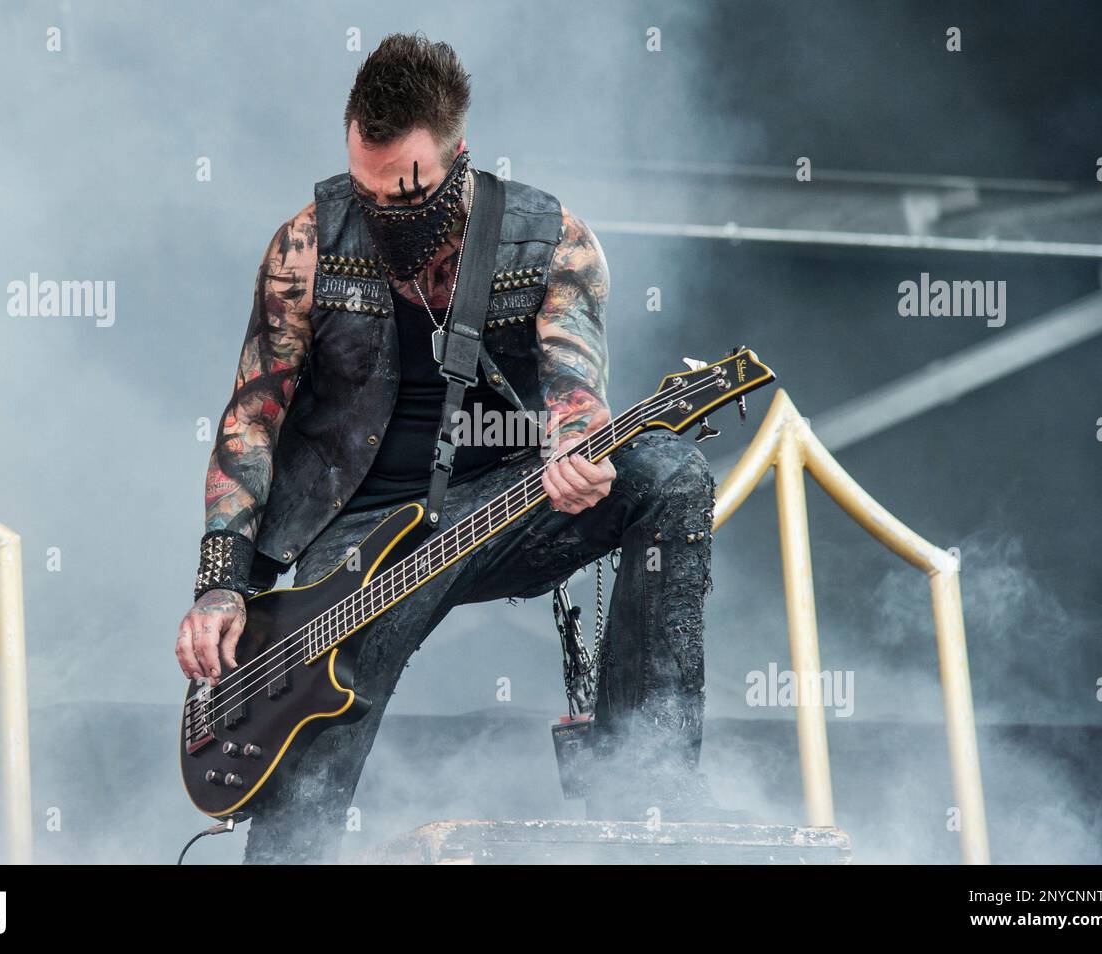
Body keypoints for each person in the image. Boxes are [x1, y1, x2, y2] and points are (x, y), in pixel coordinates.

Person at [176, 33, 718, 863]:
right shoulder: (305, 244)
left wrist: (577, 449)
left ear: (456, 156)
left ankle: (649, 795)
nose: (384, 212)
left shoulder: (551, 239)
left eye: (404, 191)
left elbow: (575, 379)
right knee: (324, 705)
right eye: (366, 187)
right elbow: (254, 416)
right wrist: (221, 586)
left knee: (670, 473)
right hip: (358, 529)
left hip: (506, 506)